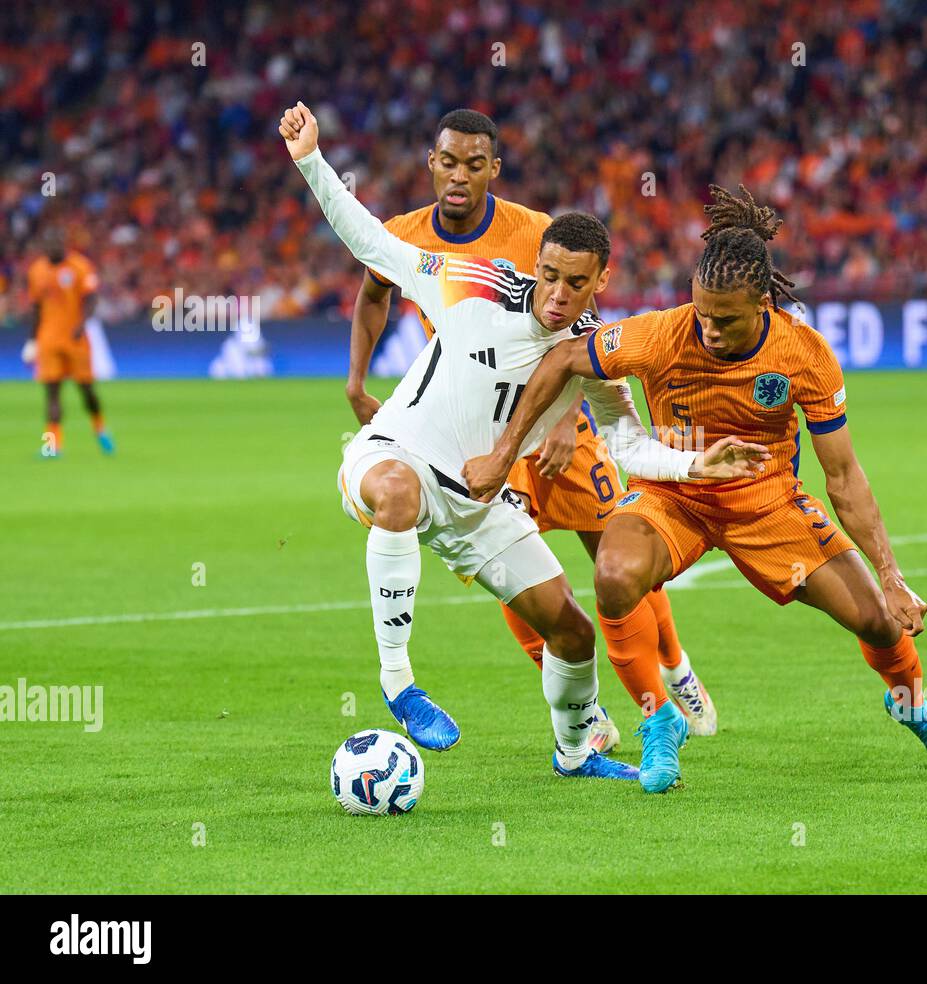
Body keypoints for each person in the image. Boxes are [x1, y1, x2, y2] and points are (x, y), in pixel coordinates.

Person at [278, 102, 763, 781]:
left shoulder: (593, 351)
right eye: (550, 276)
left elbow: (627, 442)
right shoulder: (468, 283)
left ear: (601, 283)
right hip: (393, 455)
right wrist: (310, 160)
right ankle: (399, 683)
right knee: (397, 492)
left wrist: (694, 464)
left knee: (572, 630)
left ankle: (576, 753)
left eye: (577, 283)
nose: (559, 294)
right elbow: (370, 242)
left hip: (481, 502)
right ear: (537, 263)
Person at [464, 184, 927, 793]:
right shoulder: (661, 333)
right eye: (701, 312)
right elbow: (562, 360)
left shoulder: (803, 354)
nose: (707, 329)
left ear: (763, 303)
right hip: (673, 495)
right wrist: (504, 455)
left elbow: (843, 477)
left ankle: (913, 706)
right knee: (614, 574)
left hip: (767, 504)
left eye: (725, 319)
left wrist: (891, 575)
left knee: (875, 620)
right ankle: (660, 719)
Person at [23, 227, 113, 457]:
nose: (52, 248)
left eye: (56, 243)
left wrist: (82, 324)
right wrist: (32, 340)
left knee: (87, 391)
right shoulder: (37, 271)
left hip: (75, 339)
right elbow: (36, 308)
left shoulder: (80, 266)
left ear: (64, 243)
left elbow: (91, 298)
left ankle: (101, 430)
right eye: (48, 244)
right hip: (48, 340)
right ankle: (52, 446)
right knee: (52, 393)